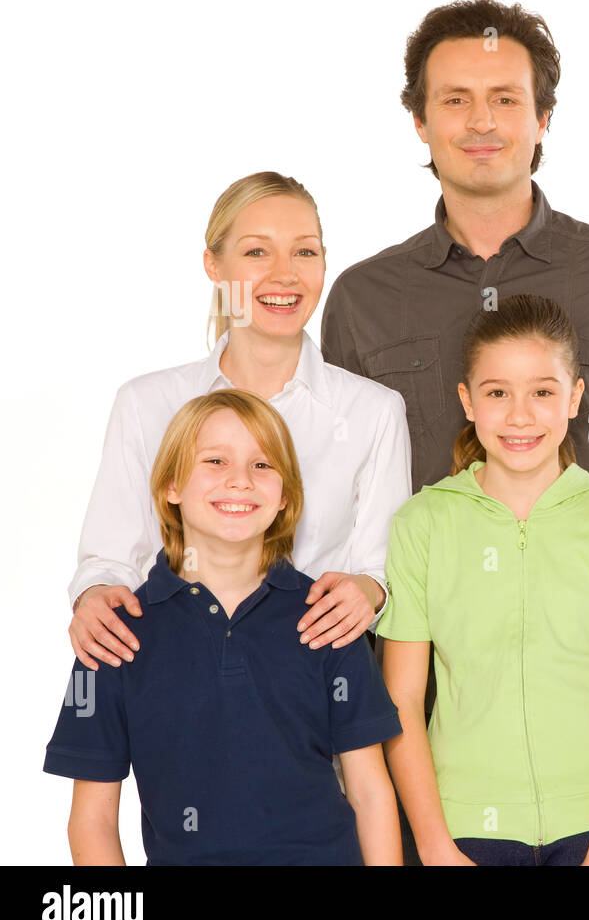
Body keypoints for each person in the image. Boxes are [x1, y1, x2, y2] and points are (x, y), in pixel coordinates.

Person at [320, 0, 589, 864]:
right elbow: (337, 482)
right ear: (419, 120)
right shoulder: (362, 299)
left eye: (505, 98)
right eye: (455, 99)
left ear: (543, 119)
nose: (481, 121)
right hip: (423, 688)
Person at [67, 172, 412, 672]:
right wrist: (95, 596)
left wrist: (369, 591)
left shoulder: (374, 410)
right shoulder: (147, 404)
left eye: (305, 252)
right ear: (213, 264)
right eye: (256, 252)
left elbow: (381, 567)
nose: (285, 274)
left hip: (311, 688)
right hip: (178, 680)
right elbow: (110, 558)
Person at [45, 390, 403, 864]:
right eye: (215, 460)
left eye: (262, 465)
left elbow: (370, 793)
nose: (240, 481)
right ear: (171, 486)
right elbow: (92, 821)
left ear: (285, 497)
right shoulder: (114, 633)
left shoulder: (327, 615)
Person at [378, 294, 589, 866]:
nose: (520, 416)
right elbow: (403, 700)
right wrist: (435, 846)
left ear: (575, 398)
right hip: (463, 831)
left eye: (542, 391)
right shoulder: (423, 523)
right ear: (467, 400)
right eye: (497, 393)